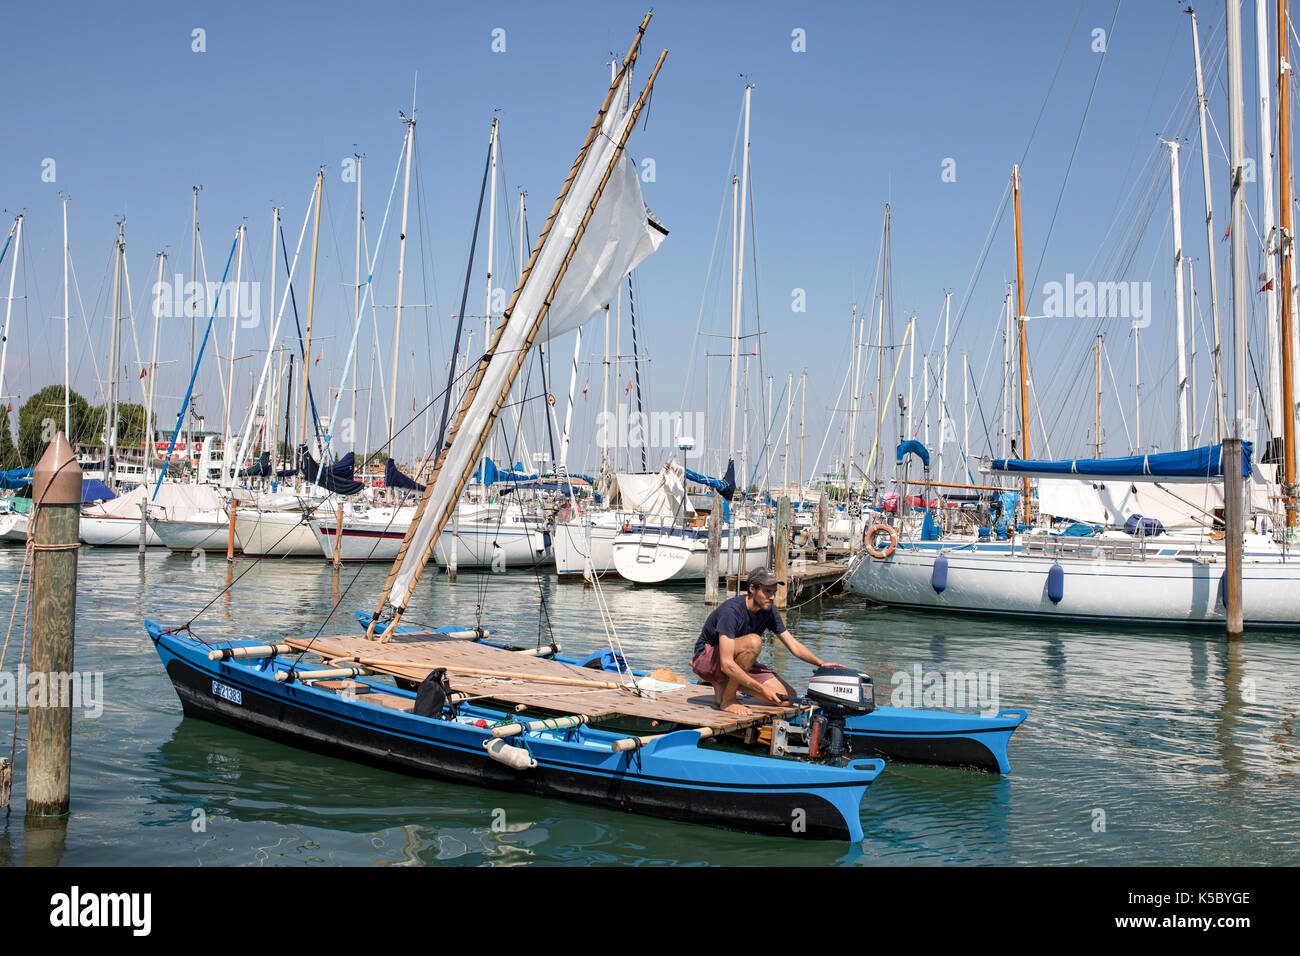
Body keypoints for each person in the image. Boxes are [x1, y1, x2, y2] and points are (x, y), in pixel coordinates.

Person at [690, 567, 839, 716]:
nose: (772, 597)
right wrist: (760, 689)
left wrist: (820, 663)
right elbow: (726, 663)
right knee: (754, 642)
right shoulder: (731, 611)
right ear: (752, 588)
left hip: (738, 661)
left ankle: (722, 685)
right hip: (708, 659)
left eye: (774, 592)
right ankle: (728, 700)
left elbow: (793, 645)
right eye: (767, 591)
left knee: (787, 698)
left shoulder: (769, 611)